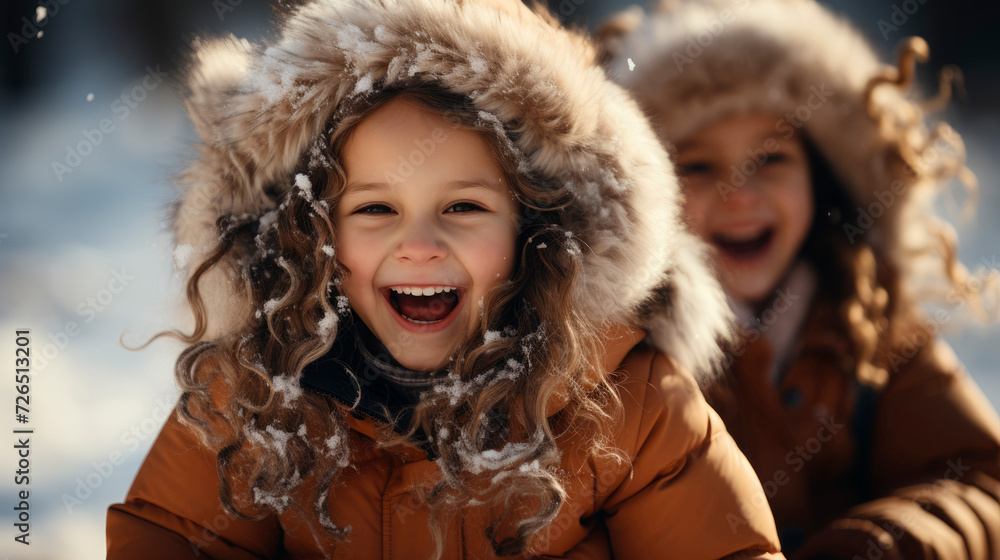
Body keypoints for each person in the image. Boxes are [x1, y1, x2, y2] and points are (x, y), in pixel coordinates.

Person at [105, 0, 786, 558]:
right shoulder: (257, 391)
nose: (422, 245)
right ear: (311, 235)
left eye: (464, 207)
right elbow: (167, 538)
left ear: (535, 231)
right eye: (375, 209)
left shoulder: (628, 403)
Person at [601, 0, 1000, 558]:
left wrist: (884, 542)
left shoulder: (868, 326)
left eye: (770, 159)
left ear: (822, 176)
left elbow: (979, 480)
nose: (740, 193)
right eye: (697, 166)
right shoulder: (618, 357)